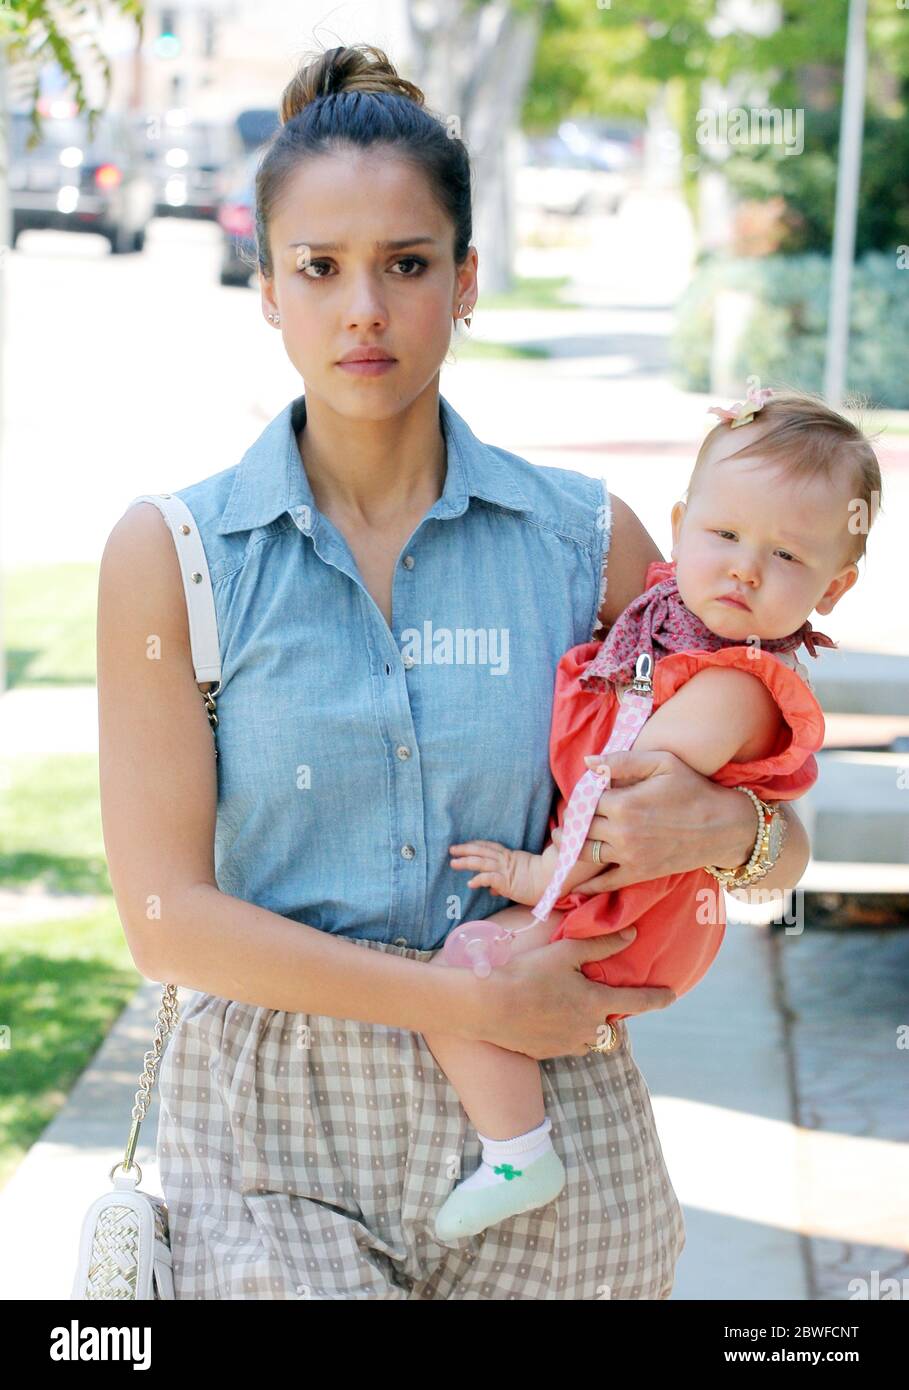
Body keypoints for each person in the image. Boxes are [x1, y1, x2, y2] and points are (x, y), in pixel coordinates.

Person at [97, 43, 813, 1300]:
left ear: (467, 280)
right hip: (280, 1140)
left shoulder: (591, 544)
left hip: (560, 1126)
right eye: (319, 267)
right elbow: (164, 920)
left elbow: (780, 841)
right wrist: (464, 1002)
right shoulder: (176, 556)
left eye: (407, 264)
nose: (362, 308)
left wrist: (729, 825)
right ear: (267, 285)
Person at [423, 387, 881, 1240]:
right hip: (627, 895)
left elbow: (621, 802)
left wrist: (531, 876)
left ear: (836, 584)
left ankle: (517, 1154)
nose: (745, 567)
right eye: (725, 535)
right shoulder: (666, 627)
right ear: (680, 525)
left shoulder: (738, 684)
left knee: (463, 972)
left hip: (632, 909)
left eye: (786, 555)